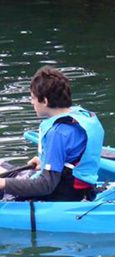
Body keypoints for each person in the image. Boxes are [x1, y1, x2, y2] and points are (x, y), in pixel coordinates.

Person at [0, 66, 104, 201]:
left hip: (64, 194)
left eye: (33, 98)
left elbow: (46, 185)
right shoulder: (82, 116)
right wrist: (44, 161)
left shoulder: (58, 133)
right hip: (82, 188)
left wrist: (3, 183)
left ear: (45, 101)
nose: (32, 102)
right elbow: (73, 157)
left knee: (4, 179)